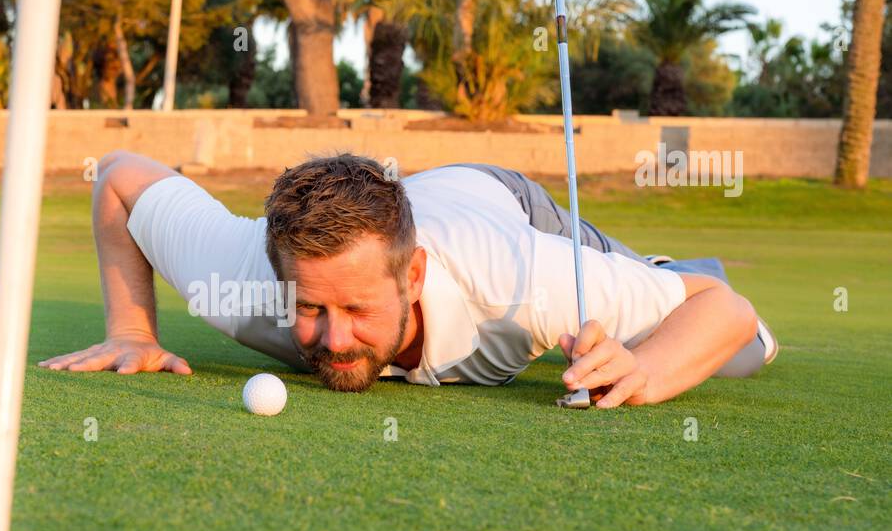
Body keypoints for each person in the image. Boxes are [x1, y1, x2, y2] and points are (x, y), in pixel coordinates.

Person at [40, 150, 776, 408]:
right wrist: (132, 330)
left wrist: (644, 368)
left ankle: (648, 271)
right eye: (311, 307)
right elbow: (120, 177)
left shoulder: (527, 284)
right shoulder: (239, 277)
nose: (333, 339)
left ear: (413, 275)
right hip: (412, 205)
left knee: (738, 352)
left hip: (508, 207)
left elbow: (729, 309)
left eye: (358, 308)